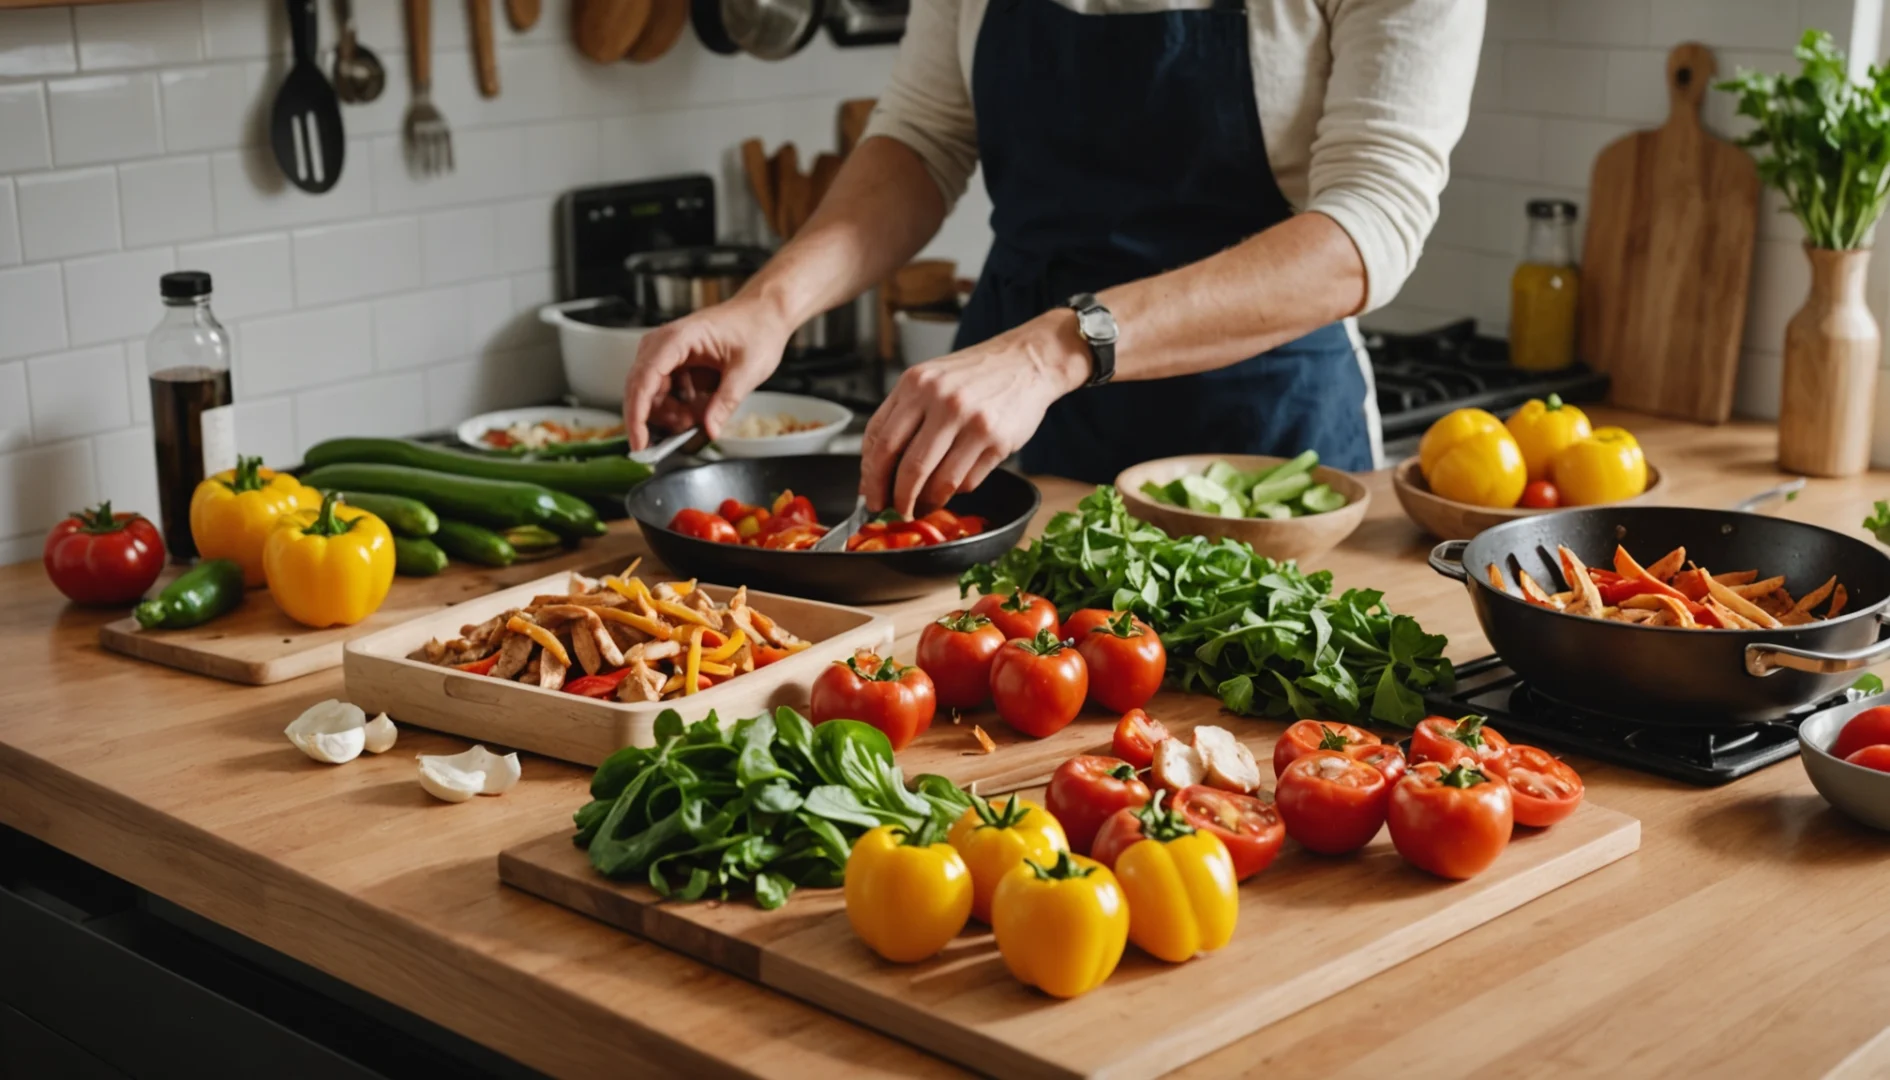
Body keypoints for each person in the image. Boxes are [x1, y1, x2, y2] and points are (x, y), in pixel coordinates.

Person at [624, 0, 1482, 516]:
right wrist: (770, 305)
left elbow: (1370, 223)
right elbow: (924, 137)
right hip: (1010, 440)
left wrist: (1055, 349)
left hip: (1258, 448)